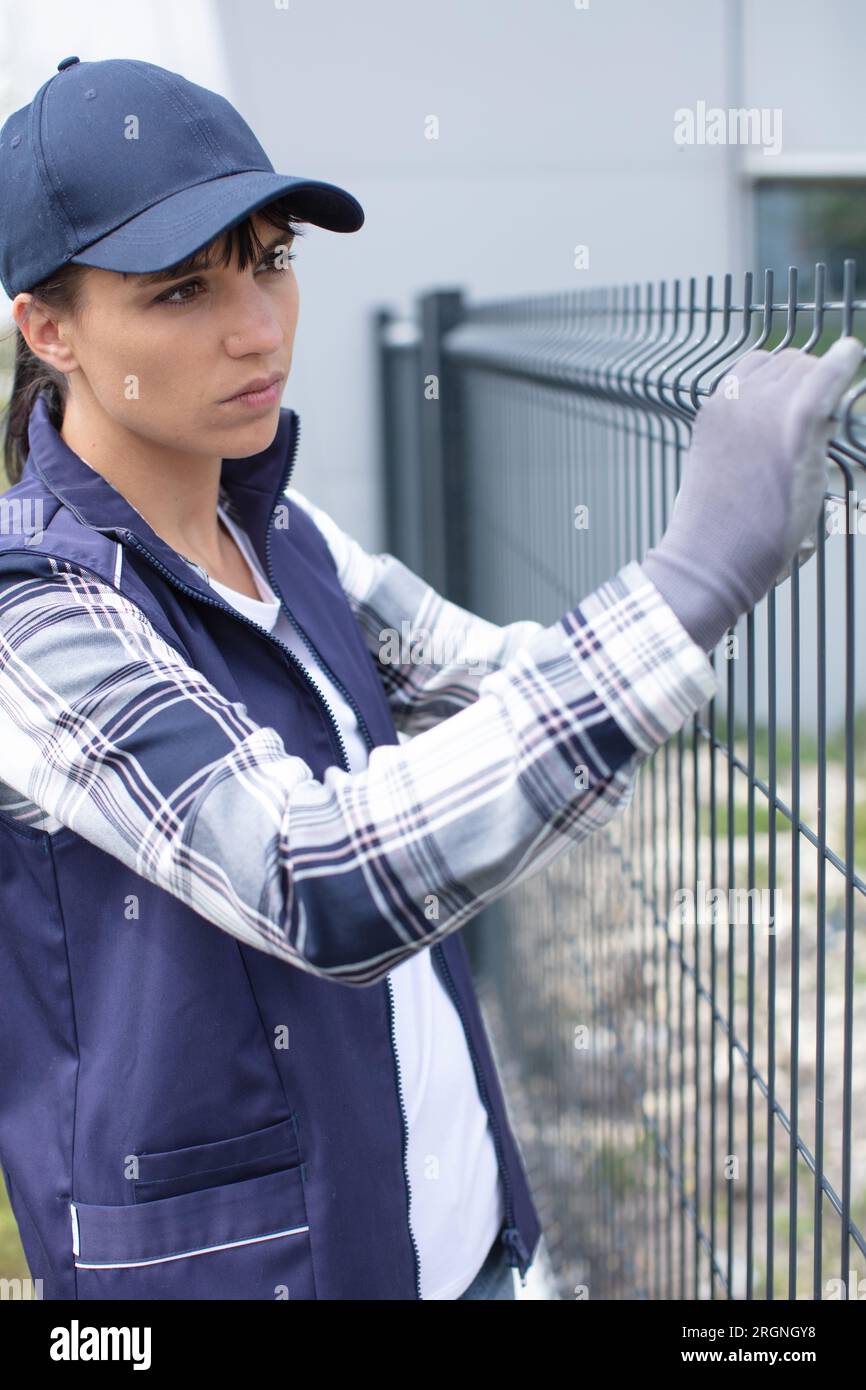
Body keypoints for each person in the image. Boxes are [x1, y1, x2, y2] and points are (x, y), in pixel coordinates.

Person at [0, 57, 860, 1304]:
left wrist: (739, 544)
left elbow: (505, 690)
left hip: (468, 1251)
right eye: (182, 287)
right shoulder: (35, 616)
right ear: (49, 326)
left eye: (271, 260)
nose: (257, 327)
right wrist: (687, 577)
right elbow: (320, 877)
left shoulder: (285, 537)